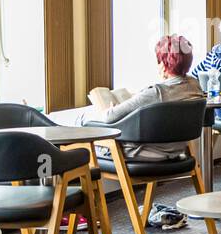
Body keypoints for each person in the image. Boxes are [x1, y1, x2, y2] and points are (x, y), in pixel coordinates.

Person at [87, 34, 205, 162]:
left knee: (85, 145)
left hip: (143, 153)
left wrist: (107, 109)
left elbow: (109, 117)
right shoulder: (195, 85)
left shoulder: (157, 92)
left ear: (163, 63)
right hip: (178, 151)